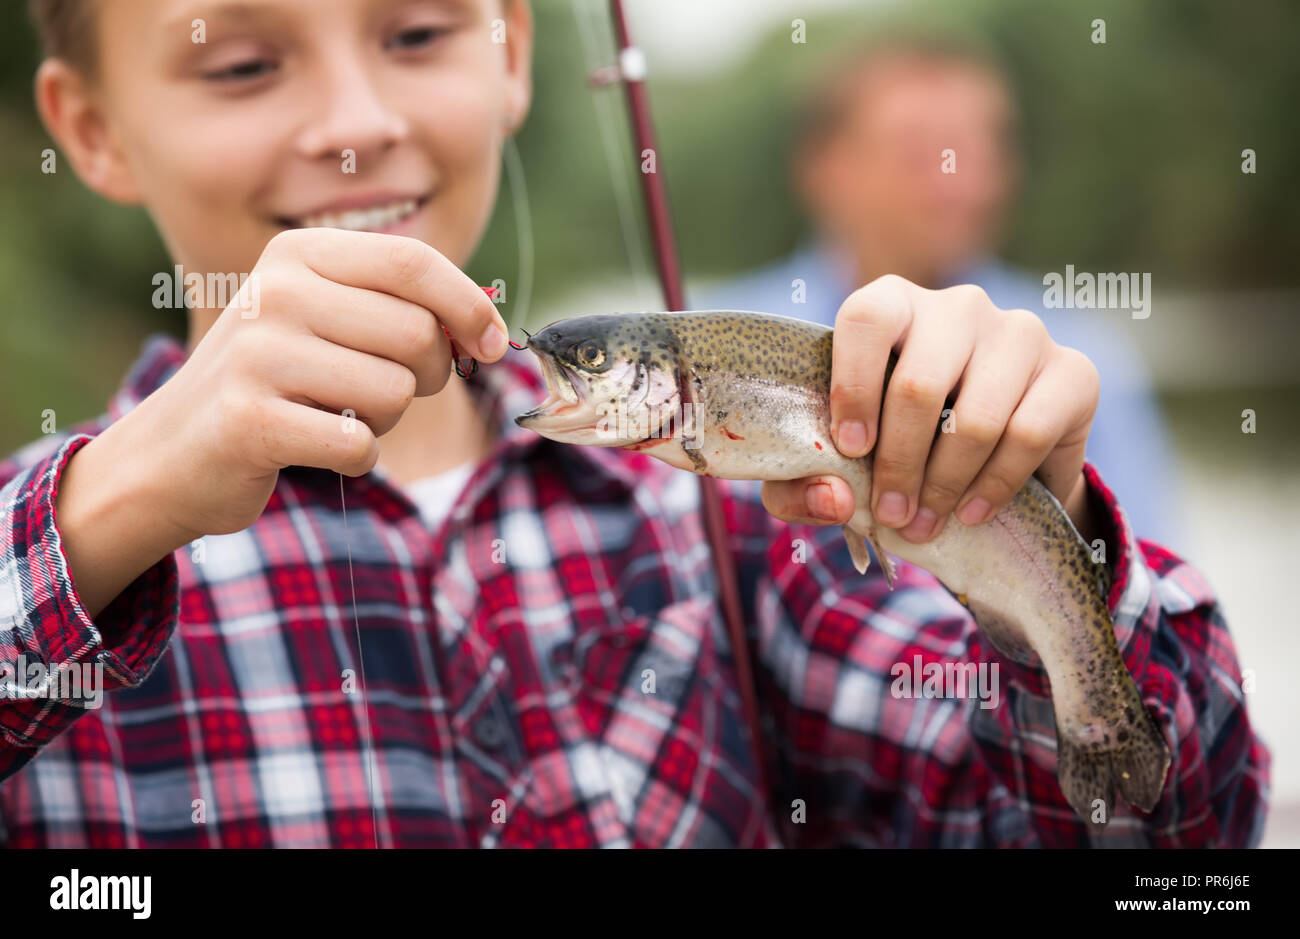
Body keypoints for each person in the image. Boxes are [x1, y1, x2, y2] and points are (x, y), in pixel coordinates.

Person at [0, 0, 1266, 847]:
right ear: (92, 131)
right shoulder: (73, 546)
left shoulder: (726, 518)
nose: (355, 128)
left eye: (418, 31)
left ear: (511, 55)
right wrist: (105, 513)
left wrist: (1039, 538)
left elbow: (1169, 833)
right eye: (241, 63)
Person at [703, 38, 1180, 544]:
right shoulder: (707, 344)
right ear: (824, 168)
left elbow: (1160, 590)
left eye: (982, 155)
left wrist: (1075, 512)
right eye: (918, 157)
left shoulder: (1081, 356)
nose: (959, 186)